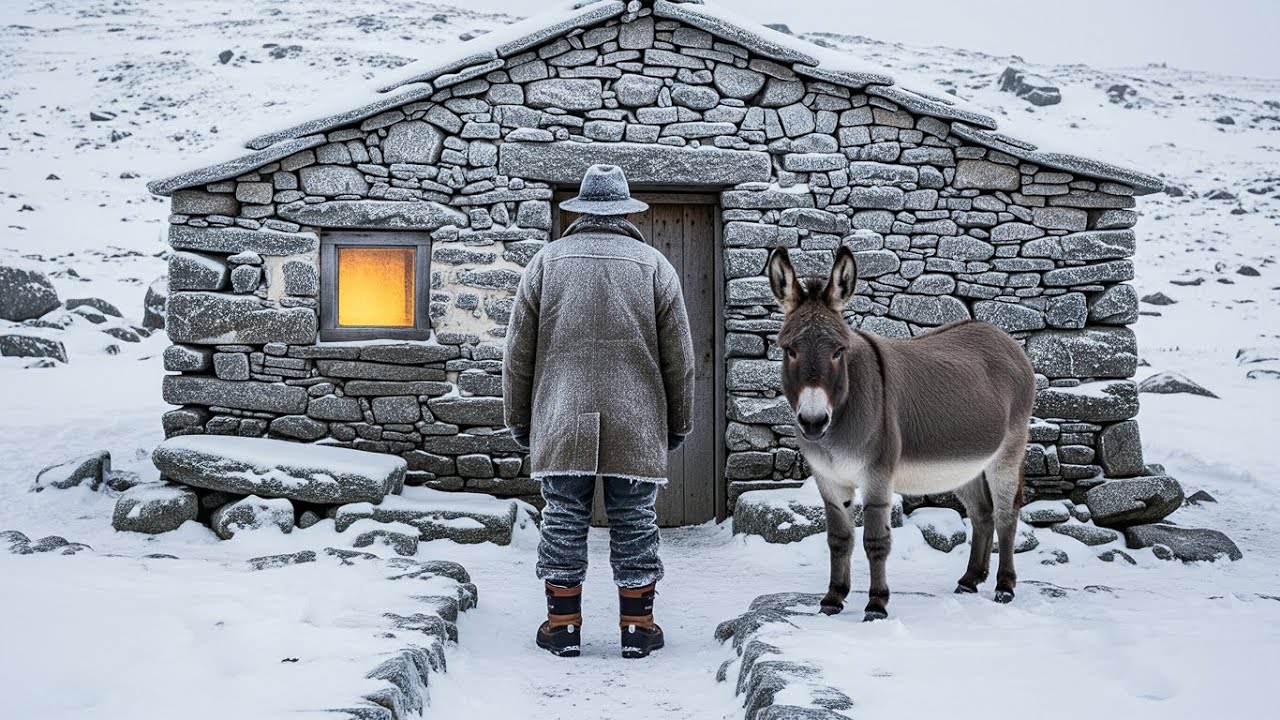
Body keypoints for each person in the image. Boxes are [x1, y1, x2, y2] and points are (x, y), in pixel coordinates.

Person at [503, 164, 695, 659]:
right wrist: (677, 424)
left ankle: (562, 626)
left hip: (561, 414)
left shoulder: (546, 262)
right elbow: (679, 358)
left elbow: (518, 354)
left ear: (582, 212)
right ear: (625, 212)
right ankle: (638, 627)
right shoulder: (655, 265)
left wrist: (521, 420)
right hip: (637, 418)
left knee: (563, 516)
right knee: (634, 518)